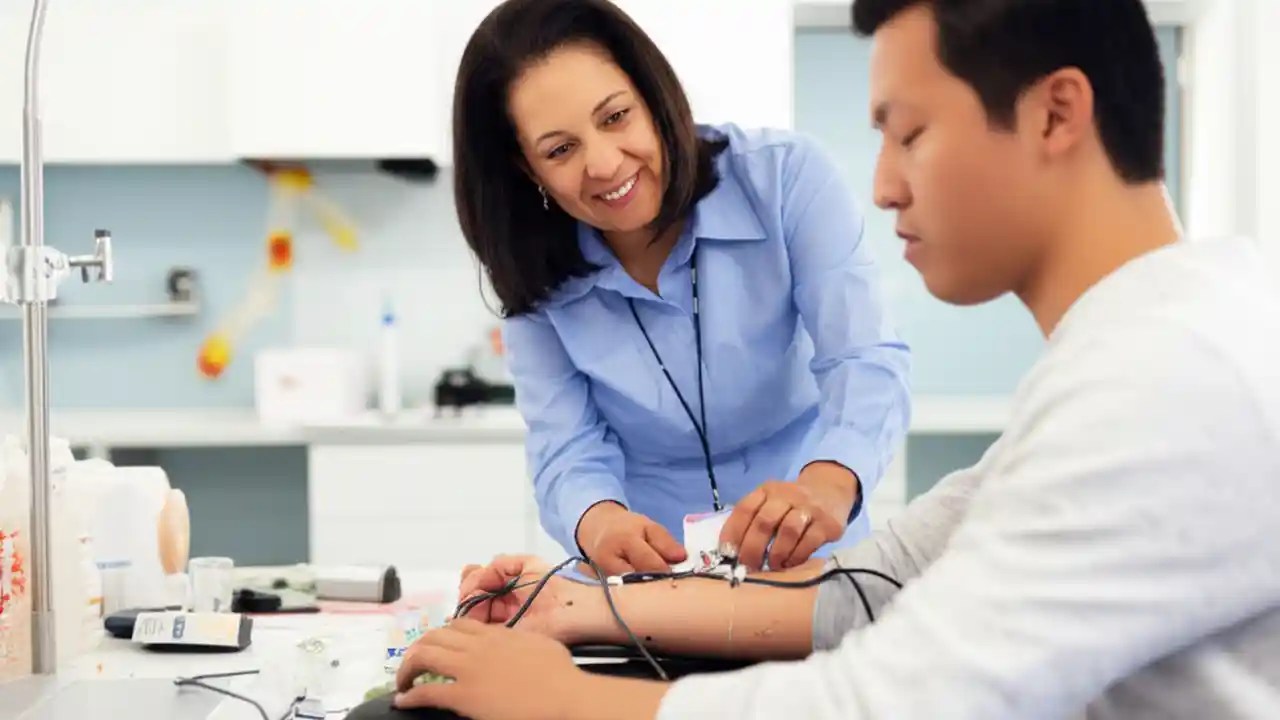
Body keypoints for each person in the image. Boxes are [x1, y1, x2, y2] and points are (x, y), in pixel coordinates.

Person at [387, 0, 1280, 718]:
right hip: (674, 592)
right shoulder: (1126, 363)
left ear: (1055, 113)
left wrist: (565, 702)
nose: (884, 185)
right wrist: (569, 601)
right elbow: (876, 590)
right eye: (560, 150)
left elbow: (893, 697)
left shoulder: (1168, 385)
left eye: (910, 132)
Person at [452, 0, 912, 575]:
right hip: (652, 576)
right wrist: (598, 520)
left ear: (652, 96)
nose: (604, 163)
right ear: (528, 170)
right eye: (560, 150)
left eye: (616, 117)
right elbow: (566, 445)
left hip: (809, 550)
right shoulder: (527, 267)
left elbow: (863, 358)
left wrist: (829, 479)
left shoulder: (784, 178)